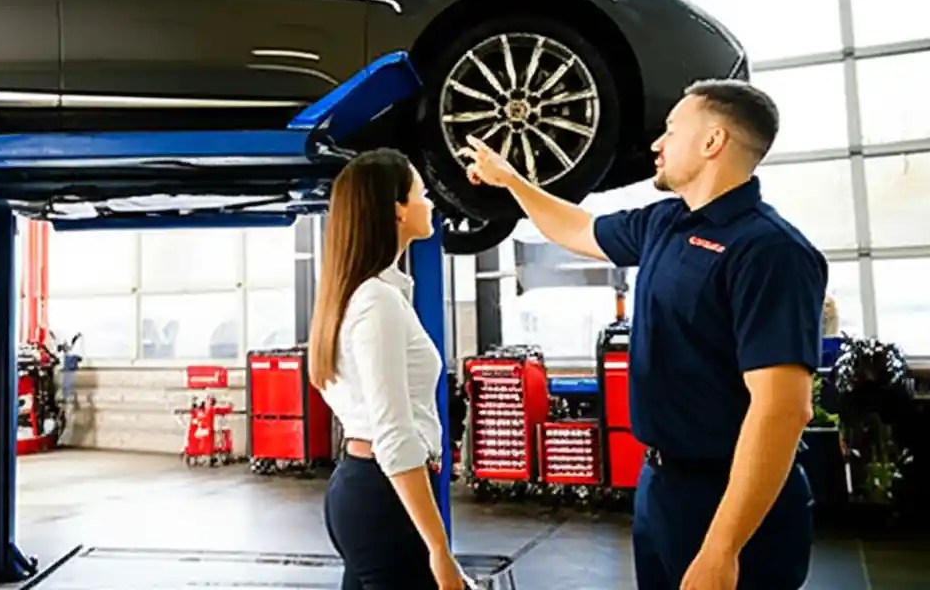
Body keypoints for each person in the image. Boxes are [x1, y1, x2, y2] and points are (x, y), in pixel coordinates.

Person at [464, 79, 826, 590]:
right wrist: (512, 182)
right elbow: (575, 228)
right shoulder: (665, 223)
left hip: (731, 498)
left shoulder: (771, 251)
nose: (657, 143)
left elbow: (783, 408)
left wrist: (723, 547)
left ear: (712, 142)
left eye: (671, 130)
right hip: (660, 485)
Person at [308, 148, 471, 590]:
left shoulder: (363, 295)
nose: (431, 202)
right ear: (396, 211)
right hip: (384, 497)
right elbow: (394, 436)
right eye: (421, 193)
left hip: (365, 486)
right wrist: (440, 549)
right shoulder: (376, 302)